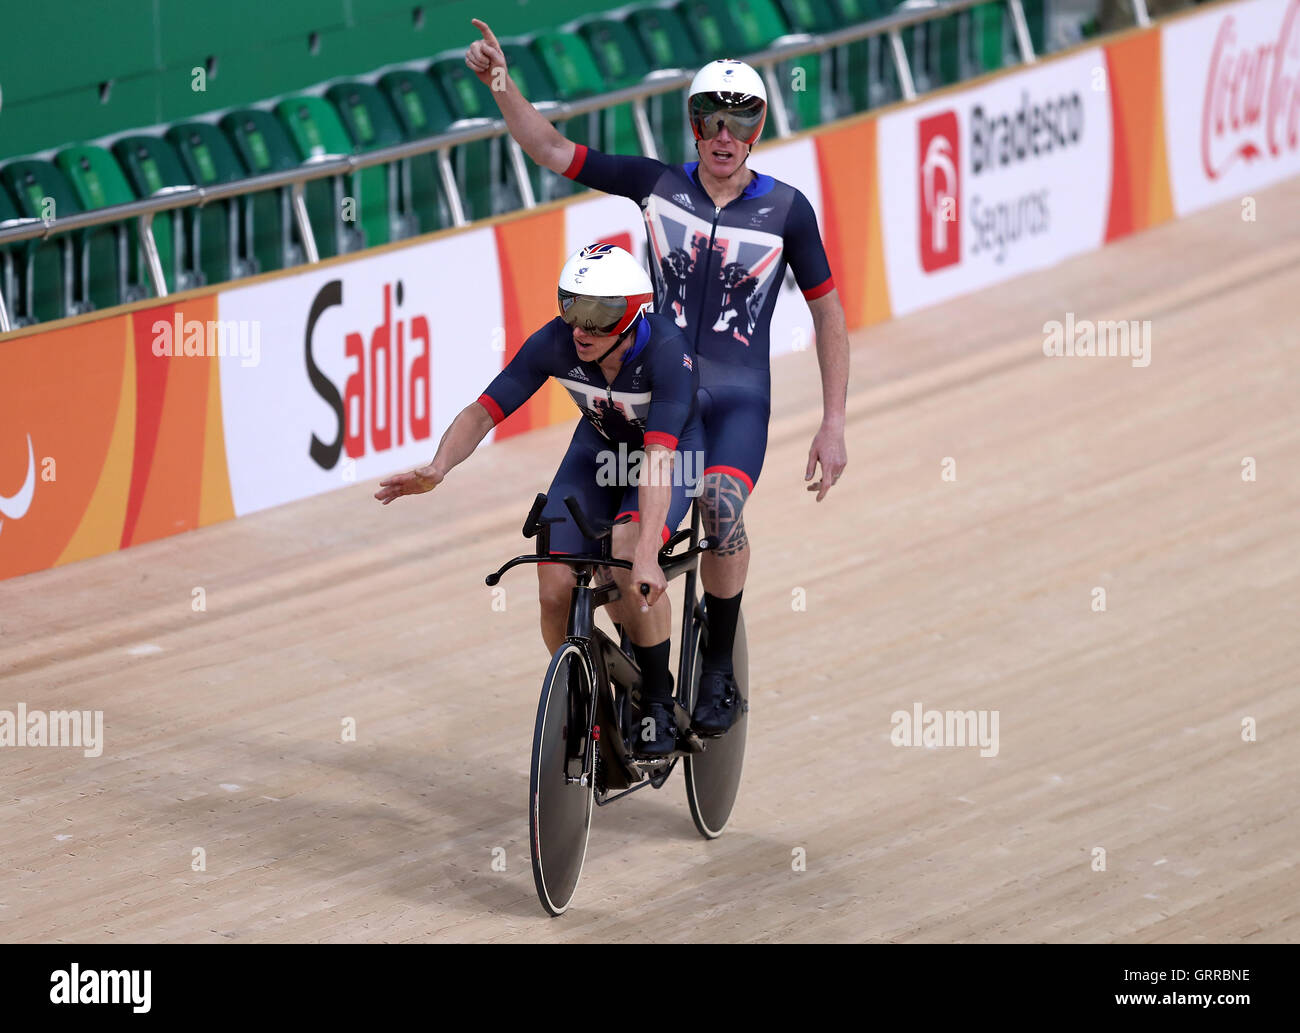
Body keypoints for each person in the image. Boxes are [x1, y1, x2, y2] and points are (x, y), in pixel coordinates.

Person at [466, 21, 850, 735]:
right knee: (613, 553)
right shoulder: (656, 185)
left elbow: (829, 315)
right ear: (694, 126)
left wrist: (833, 422)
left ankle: (719, 668)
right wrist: (500, 84)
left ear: (759, 126)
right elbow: (551, 149)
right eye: (710, 119)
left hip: (735, 399)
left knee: (721, 508)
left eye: (740, 120)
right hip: (655, 394)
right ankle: (630, 673)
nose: (724, 134)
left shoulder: (787, 210)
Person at [376, 244, 702, 757]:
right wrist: (438, 468)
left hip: (667, 454)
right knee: (553, 583)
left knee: (625, 547)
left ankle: (659, 701)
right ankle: (583, 693)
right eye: (572, 307)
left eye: (598, 315)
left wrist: (644, 555)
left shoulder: (666, 351)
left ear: (634, 310)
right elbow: (484, 411)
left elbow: (658, 461)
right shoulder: (556, 342)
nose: (581, 328)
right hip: (597, 452)